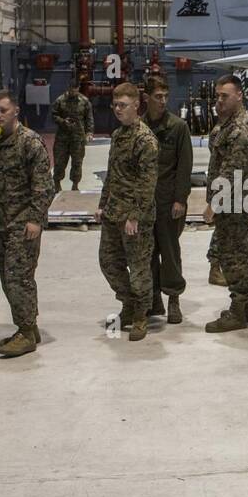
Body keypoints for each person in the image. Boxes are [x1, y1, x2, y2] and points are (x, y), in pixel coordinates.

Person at [0, 90, 53, 358]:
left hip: (23, 224)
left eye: (3, 110)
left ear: (16, 111)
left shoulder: (30, 143)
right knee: (7, 280)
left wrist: (35, 219)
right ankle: (29, 326)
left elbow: (44, 187)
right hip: (2, 224)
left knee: (18, 280)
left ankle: (25, 333)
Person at [95, 83, 159, 341]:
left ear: (136, 106)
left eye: (123, 105)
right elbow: (111, 174)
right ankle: (128, 303)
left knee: (139, 266)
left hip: (136, 217)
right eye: (115, 105)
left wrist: (134, 215)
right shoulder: (117, 135)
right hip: (113, 211)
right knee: (108, 262)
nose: (118, 110)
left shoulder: (146, 140)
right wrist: (102, 204)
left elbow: (148, 182)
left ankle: (141, 314)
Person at [203, 74, 248, 333]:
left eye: (224, 96)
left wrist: (214, 204)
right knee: (239, 253)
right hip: (233, 200)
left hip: (232, 202)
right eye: (217, 96)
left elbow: (232, 171)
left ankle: (238, 311)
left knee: (231, 256)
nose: (219, 101)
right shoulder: (229, 123)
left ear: (239, 95)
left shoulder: (239, 129)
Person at [143, 74, 192, 324]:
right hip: (144, 204)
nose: (163, 101)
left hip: (168, 201)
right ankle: (154, 301)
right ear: (146, 98)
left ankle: (173, 299)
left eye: (165, 97)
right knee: (147, 253)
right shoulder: (139, 128)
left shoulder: (177, 127)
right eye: (158, 97)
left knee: (170, 253)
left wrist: (180, 200)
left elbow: (184, 167)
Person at [51, 74, 95, 191]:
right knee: (60, 162)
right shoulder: (60, 100)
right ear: (68, 88)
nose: (73, 92)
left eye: (75, 89)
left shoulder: (84, 101)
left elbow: (89, 118)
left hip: (78, 138)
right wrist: (62, 121)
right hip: (62, 137)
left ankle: (75, 184)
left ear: (78, 88)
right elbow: (54, 115)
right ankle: (57, 182)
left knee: (77, 163)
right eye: (71, 89)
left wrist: (89, 132)